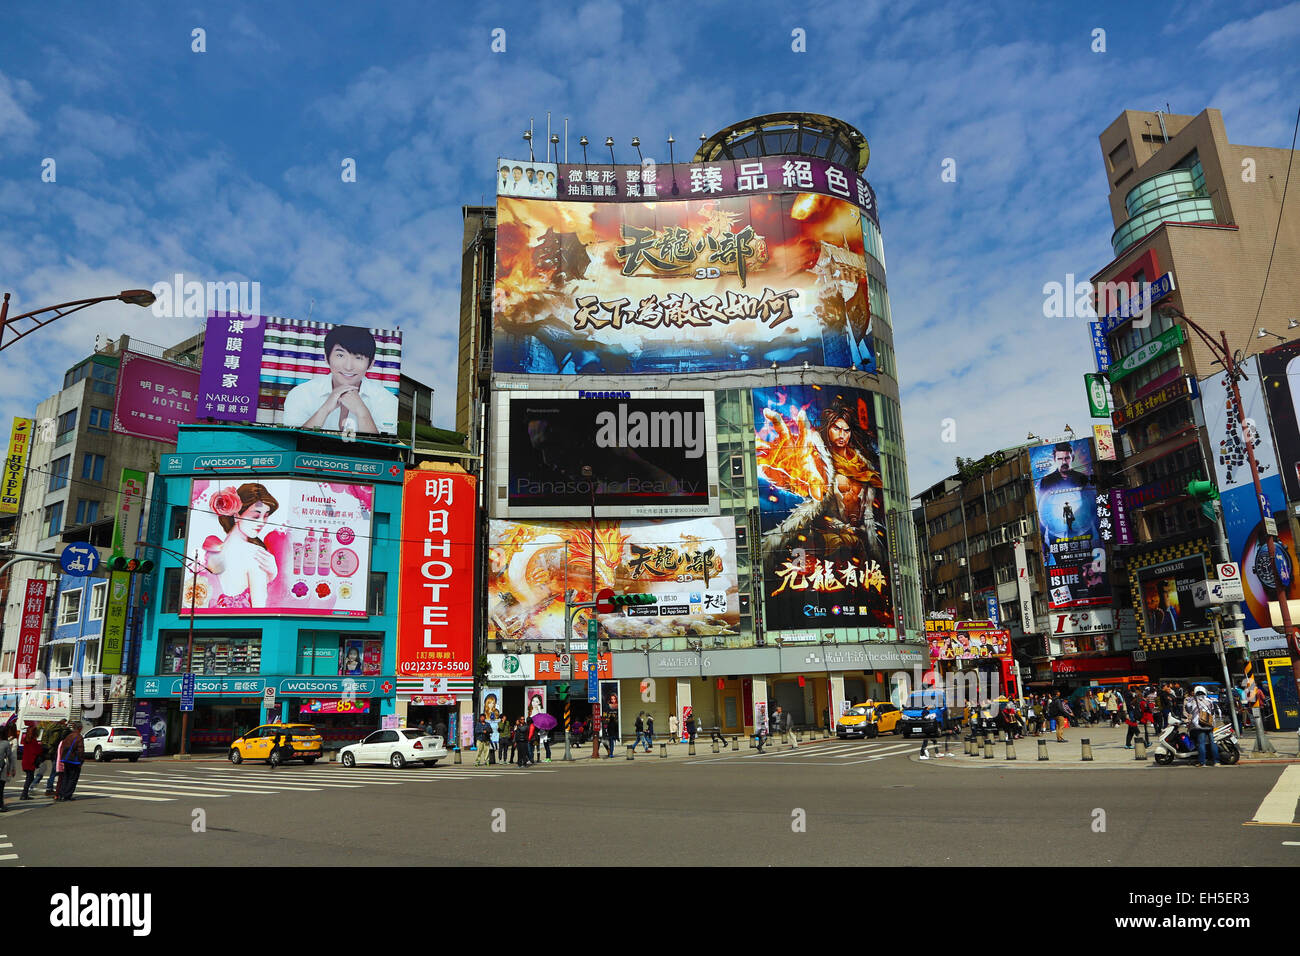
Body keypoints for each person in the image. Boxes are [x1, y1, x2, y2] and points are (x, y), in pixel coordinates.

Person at [281, 325, 399, 435]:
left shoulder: (387, 400)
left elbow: (382, 451)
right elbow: (292, 442)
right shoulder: (301, 393)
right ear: (326, 358)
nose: (348, 366)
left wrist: (363, 413)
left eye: (358, 357)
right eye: (340, 355)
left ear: (371, 364)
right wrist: (325, 409)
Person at [203, 483, 280, 609]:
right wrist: (272, 575)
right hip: (247, 626)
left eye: (265, 516)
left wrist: (271, 576)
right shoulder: (256, 554)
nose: (261, 522)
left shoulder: (212, 547)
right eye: (255, 516)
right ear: (237, 515)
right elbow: (260, 610)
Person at [1184, 686, 1222, 767]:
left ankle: (1202, 762)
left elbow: (1188, 709)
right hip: (1209, 724)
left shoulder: (1192, 701)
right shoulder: (1209, 700)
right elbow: (1213, 711)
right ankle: (1216, 761)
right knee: (1213, 743)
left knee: (1201, 743)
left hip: (1199, 724)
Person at [56, 722, 85, 801]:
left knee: (66, 777)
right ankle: (67, 795)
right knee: (73, 778)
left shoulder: (69, 736)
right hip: (74, 760)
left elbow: (63, 747)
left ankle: (62, 794)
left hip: (66, 759)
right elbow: (80, 750)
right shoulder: (79, 737)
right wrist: (81, 760)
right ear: (80, 728)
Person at [19, 725, 42, 801]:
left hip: (26, 761)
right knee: (30, 778)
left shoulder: (26, 740)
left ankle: (24, 794)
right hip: (30, 762)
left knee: (29, 777)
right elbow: (37, 751)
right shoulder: (33, 741)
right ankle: (24, 794)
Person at [0, 726, 16, 811]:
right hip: (2, 769)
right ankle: (1, 805)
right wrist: (11, 769)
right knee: (1, 788)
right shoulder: (6, 743)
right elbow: (10, 757)